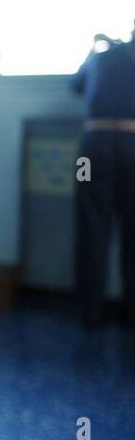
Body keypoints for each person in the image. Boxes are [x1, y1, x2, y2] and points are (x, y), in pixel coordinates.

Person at [70, 34, 135, 326]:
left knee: (92, 226)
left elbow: (75, 86)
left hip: (93, 147)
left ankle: (91, 310)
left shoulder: (101, 56)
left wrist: (92, 49)